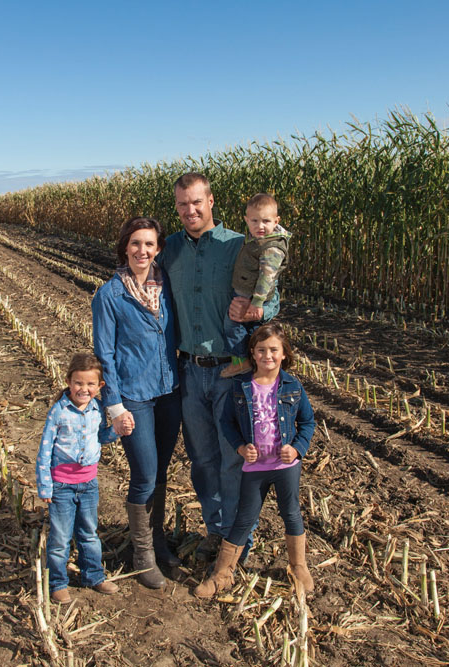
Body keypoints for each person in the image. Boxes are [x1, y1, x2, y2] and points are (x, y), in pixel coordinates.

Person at [158, 172, 279, 563]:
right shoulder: (170, 249)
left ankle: (238, 539)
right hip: (190, 371)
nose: (189, 210)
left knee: (235, 458)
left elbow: (272, 297)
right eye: (181, 204)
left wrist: (255, 308)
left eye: (196, 201)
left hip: (233, 370)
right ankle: (215, 530)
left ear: (211, 202)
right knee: (203, 459)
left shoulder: (238, 246)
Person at [194, 323, 316, 598]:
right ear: (252, 353)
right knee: (243, 519)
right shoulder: (241, 387)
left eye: (274, 350)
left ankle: (299, 567)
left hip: (285, 467)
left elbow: (307, 421)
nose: (268, 356)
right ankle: (222, 575)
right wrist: (239, 448)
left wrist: (297, 449)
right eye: (261, 350)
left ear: (284, 353)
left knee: (291, 514)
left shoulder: (292, 386)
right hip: (255, 468)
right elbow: (226, 422)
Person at [92, 217, 182, 589]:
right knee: (144, 473)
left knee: (160, 470)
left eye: (149, 244)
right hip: (133, 397)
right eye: (135, 244)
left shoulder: (168, 287)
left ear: (158, 249)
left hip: (169, 392)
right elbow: (104, 355)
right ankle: (142, 554)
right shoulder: (110, 295)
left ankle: (157, 540)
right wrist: (114, 406)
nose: (142, 251)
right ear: (124, 248)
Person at [36, 353, 122, 603]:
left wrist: (116, 431)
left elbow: (101, 438)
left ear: (99, 387)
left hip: (88, 484)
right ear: (68, 382)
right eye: (78, 383)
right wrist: (45, 485)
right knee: (61, 538)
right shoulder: (59, 412)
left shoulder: (97, 409)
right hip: (61, 485)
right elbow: (45, 449)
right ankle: (57, 582)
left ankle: (93, 576)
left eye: (90, 384)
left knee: (88, 532)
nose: (84, 389)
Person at [221, 193, 291, 378]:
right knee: (249, 328)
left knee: (232, 324)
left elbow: (268, 278)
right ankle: (249, 359)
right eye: (254, 221)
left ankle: (242, 359)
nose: (260, 226)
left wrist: (258, 303)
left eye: (266, 221)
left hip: (251, 296)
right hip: (246, 292)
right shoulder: (254, 240)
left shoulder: (271, 247)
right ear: (246, 220)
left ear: (276, 220)